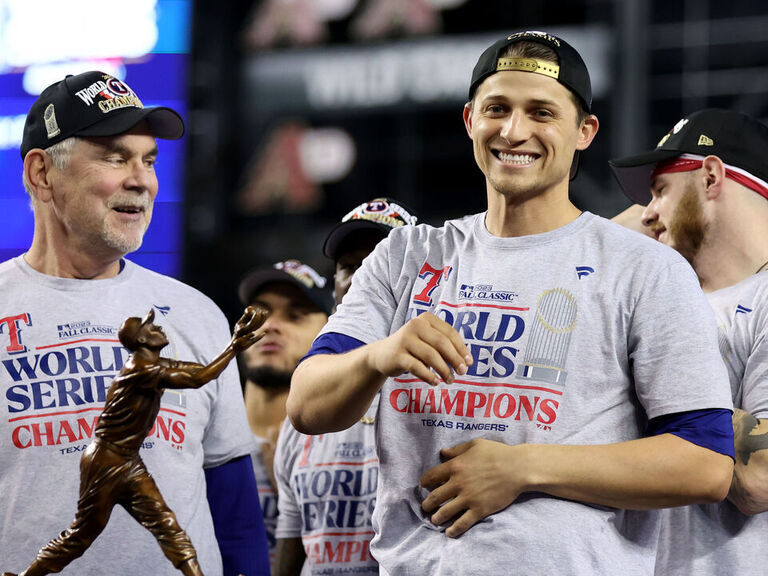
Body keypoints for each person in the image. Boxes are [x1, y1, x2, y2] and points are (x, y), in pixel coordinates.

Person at [287, 31, 736, 574]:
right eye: (497, 109)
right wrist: (377, 356)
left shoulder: (644, 268)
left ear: (584, 131)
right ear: (470, 121)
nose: (514, 131)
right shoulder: (406, 254)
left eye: (541, 112)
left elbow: (705, 464)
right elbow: (307, 408)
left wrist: (523, 467)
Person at [0, 71, 269, 576]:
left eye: (148, 160)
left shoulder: (194, 311)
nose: (141, 180)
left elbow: (234, 508)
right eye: (114, 156)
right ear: (41, 174)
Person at [609, 108, 768, 575]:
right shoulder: (656, 304)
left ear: (712, 176)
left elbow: (759, 480)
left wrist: (666, 373)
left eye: (659, 190)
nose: (647, 214)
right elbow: (576, 249)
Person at [3, 306, 267, 576]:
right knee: (81, 535)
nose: (159, 328)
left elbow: (201, 370)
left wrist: (232, 344)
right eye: (150, 327)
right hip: (105, 460)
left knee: (165, 524)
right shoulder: (141, 369)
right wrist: (233, 347)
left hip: (128, 459)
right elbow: (199, 378)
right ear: (142, 340)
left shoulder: (156, 364)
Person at [273, 198, 417, 575]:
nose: (361, 277)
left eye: (378, 262)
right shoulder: (306, 405)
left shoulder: (446, 393)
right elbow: (294, 537)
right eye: (349, 266)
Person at [237, 260, 332, 572]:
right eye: (261, 311)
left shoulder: (342, 443)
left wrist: (291, 492)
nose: (270, 326)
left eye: (295, 315)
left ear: (329, 330)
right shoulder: (199, 433)